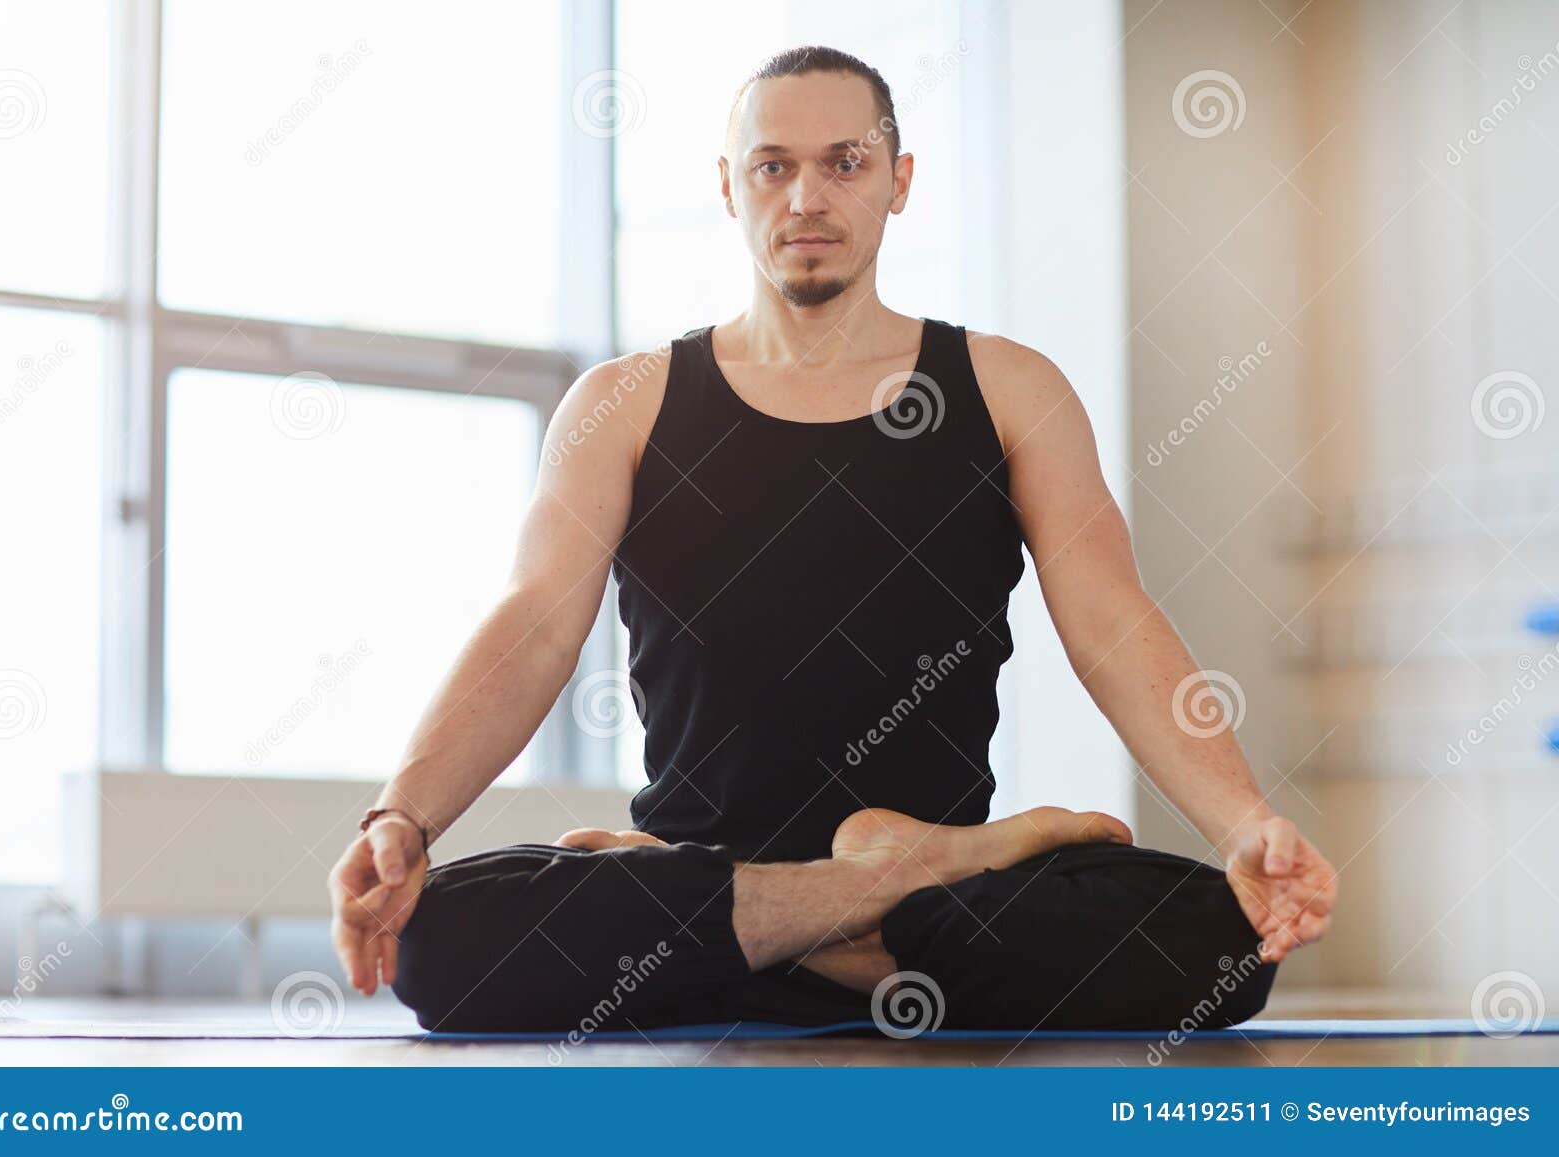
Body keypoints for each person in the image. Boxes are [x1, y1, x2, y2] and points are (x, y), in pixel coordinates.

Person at [327, 45, 1337, 1034]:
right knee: (436, 944)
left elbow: (1111, 621)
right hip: (744, 869)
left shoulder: (1007, 388)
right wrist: (401, 820)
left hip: (732, 918)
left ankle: (774, 929)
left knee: (1223, 943)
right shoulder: (625, 405)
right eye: (774, 166)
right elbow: (533, 628)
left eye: (843, 163)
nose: (806, 197)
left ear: (897, 182)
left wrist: (1244, 824)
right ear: (730, 187)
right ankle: (886, 887)